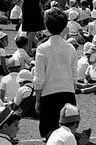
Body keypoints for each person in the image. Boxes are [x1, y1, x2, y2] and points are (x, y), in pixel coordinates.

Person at [32, 9, 79, 138]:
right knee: (67, 131)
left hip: (49, 96)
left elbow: (39, 78)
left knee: (49, 133)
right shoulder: (70, 48)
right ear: (64, 27)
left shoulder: (42, 48)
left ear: (47, 26)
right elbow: (75, 77)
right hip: (68, 93)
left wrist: (37, 100)